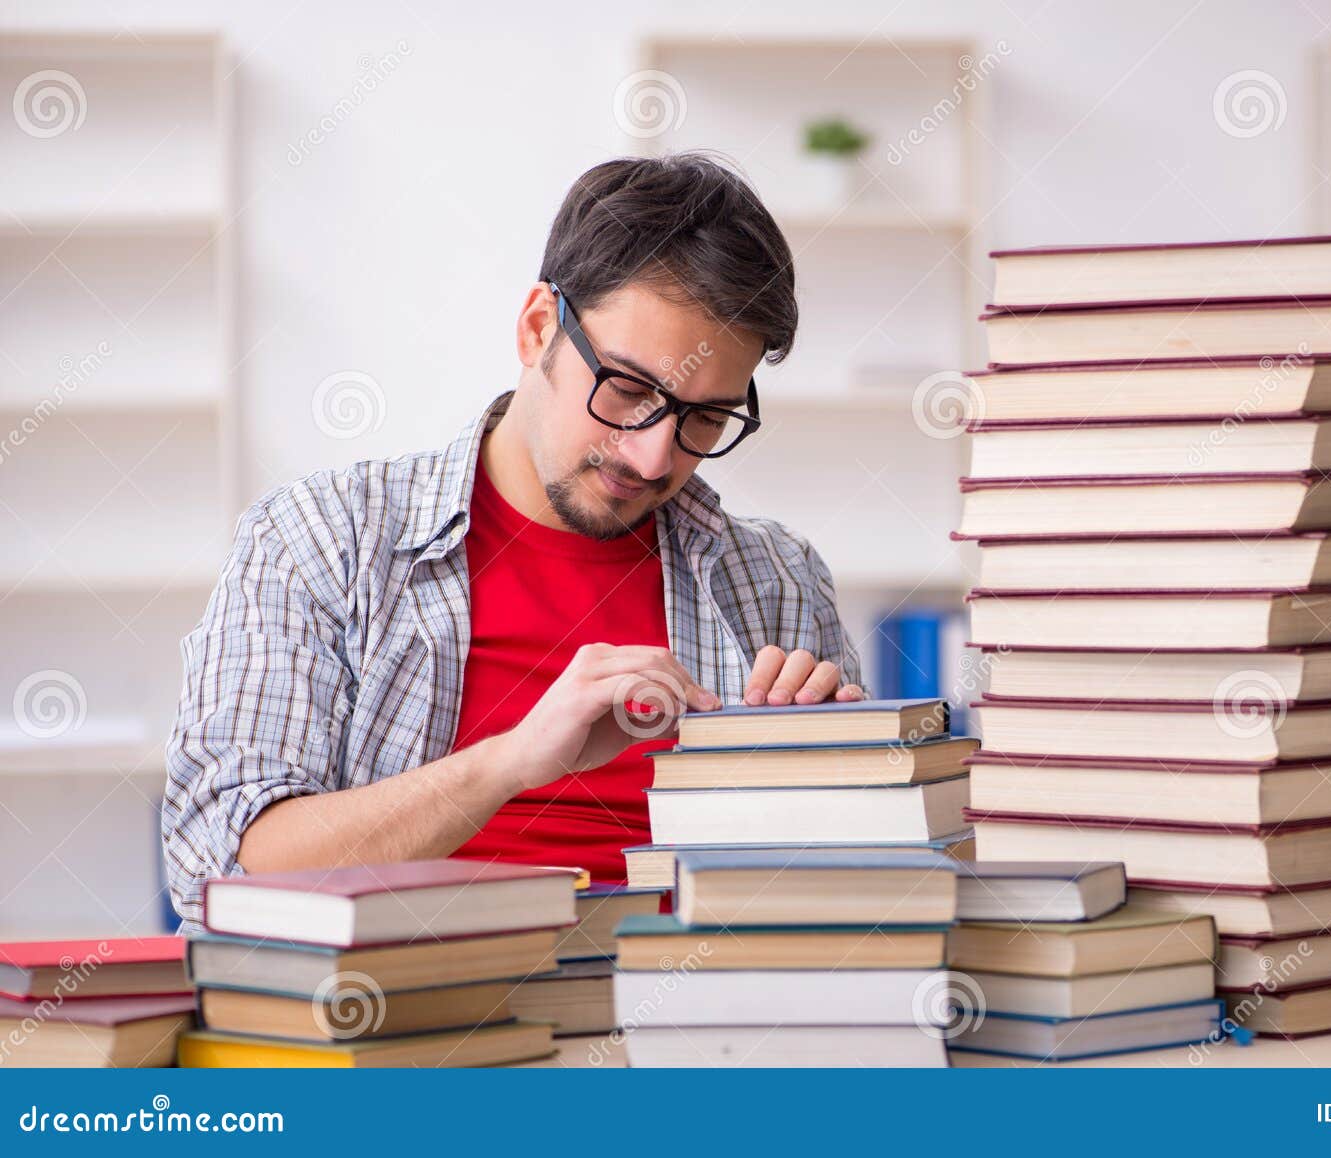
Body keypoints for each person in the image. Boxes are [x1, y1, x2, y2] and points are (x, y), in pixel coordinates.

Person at [161, 153, 866, 928]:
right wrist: (511, 761)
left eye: (705, 417)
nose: (654, 455)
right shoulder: (320, 541)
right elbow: (216, 867)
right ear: (538, 330)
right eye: (628, 391)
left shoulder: (777, 581)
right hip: (418, 1019)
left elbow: (859, 917)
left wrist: (847, 796)